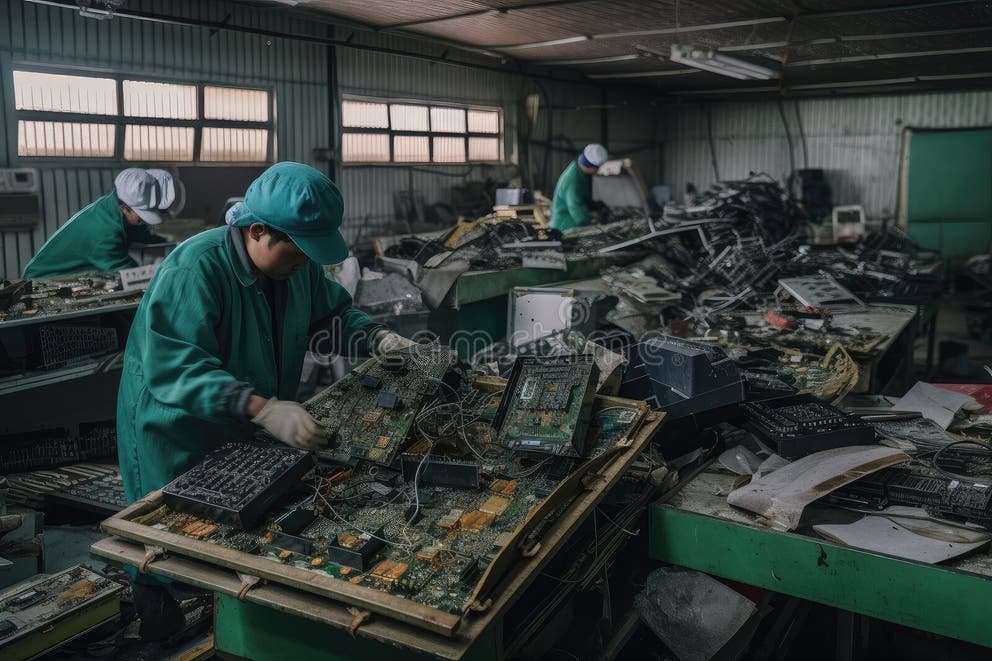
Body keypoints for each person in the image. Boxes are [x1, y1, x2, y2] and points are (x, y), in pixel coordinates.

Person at [116, 161, 413, 641]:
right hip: (177, 428)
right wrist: (263, 408)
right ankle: (159, 628)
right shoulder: (196, 269)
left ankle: (232, 625)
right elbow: (177, 368)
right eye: (299, 252)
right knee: (167, 539)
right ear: (257, 232)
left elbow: (331, 315)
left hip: (246, 420)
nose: (306, 264)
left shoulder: (297, 271)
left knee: (238, 529)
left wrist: (376, 337)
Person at [22, 168, 182, 279]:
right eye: (140, 217)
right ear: (124, 207)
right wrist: (156, 272)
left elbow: (138, 234)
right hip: (43, 279)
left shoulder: (110, 207)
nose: (142, 222)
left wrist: (175, 243)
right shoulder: (103, 231)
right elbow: (126, 271)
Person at [549, 143, 609, 232]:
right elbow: (576, 209)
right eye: (597, 168)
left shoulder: (581, 172)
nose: (597, 171)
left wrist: (593, 205)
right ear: (591, 167)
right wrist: (593, 226)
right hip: (564, 227)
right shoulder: (573, 180)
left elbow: (582, 198)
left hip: (572, 222)